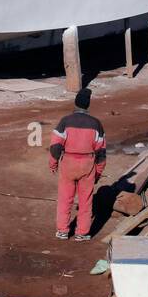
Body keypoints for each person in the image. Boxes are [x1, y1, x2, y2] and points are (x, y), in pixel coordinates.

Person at [48, 87, 106, 241]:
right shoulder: (96, 124)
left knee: (65, 199)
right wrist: (98, 172)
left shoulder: (65, 121)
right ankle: (82, 232)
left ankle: (62, 231)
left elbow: (55, 146)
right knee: (86, 201)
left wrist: (53, 164)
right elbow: (101, 152)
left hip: (68, 163)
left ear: (75, 103)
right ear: (88, 105)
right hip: (87, 164)